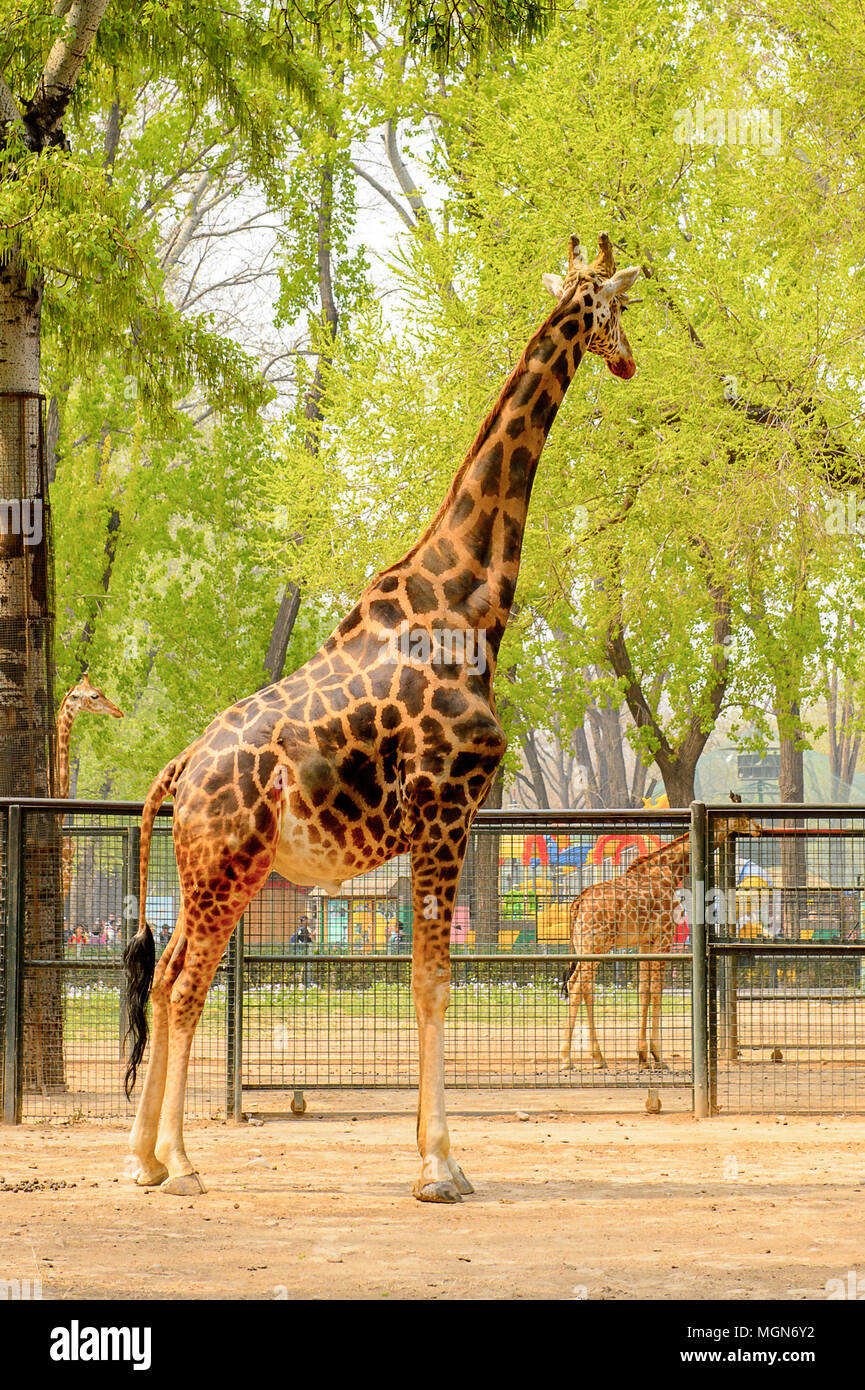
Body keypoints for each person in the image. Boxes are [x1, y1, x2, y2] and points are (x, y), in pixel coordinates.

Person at [289, 915, 315, 986]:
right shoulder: (302, 929)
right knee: (302, 967)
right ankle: (302, 983)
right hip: (300, 951)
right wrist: (315, 932)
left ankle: (302, 983)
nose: (308, 921)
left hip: (300, 951)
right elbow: (308, 938)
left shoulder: (303, 929)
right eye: (306, 920)